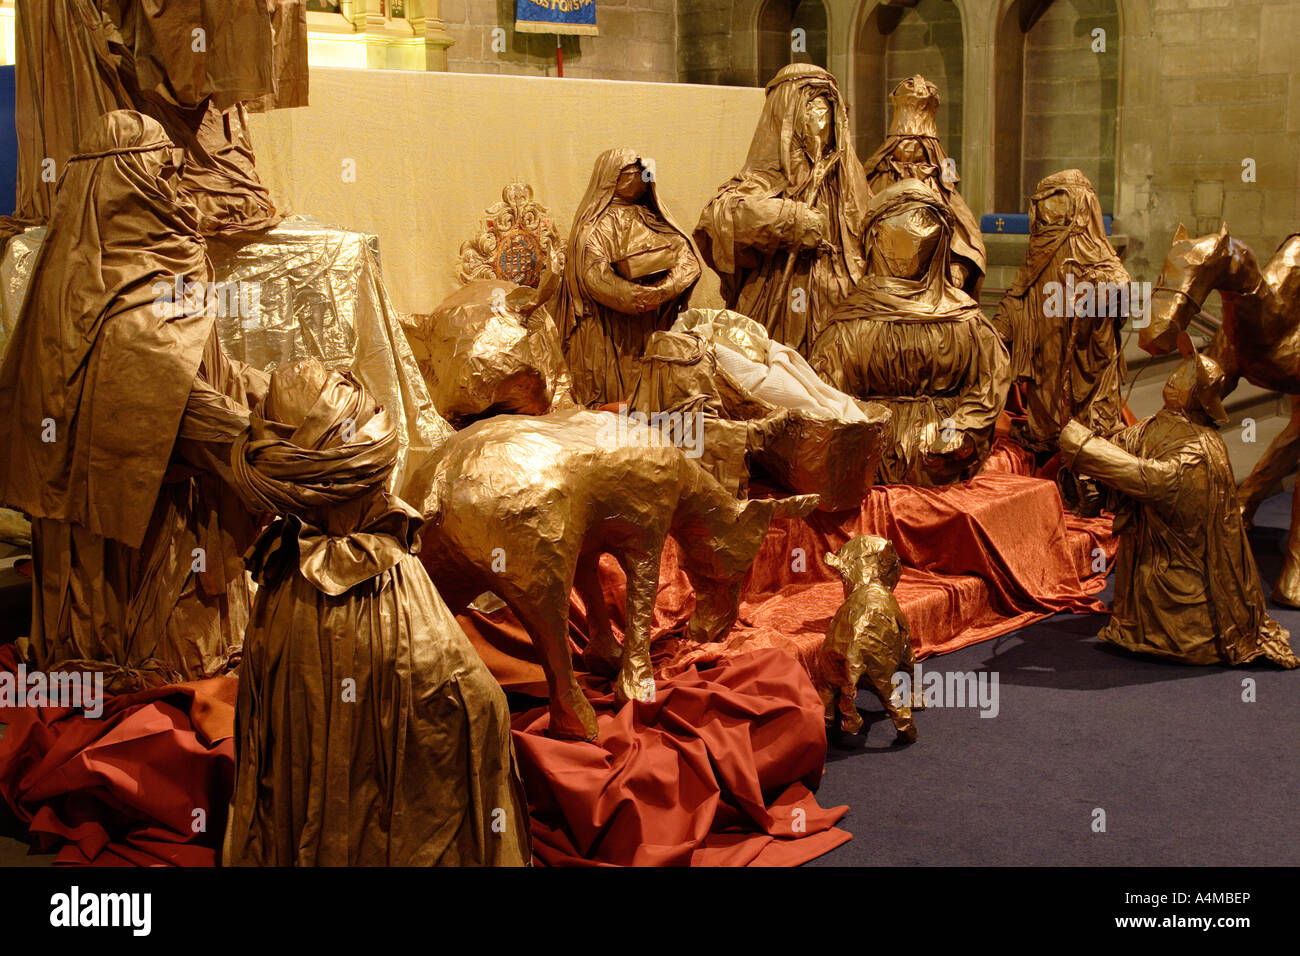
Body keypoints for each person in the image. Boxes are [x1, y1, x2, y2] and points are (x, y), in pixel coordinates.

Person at [0, 111, 265, 688]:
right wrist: (264, 440)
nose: (178, 188)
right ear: (132, 183)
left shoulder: (116, 268)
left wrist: (257, 394)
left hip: (173, 508)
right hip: (142, 544)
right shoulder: (112, 286)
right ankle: (122, 658)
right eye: (163, 173)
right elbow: (164, 406)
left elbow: (197, 376)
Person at [1058, 342, 1298, 668]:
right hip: (1145, 566)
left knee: (1177, 594)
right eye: (1177, 373)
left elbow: (1155, 481)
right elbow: (1122, 453)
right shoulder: (1153, 426)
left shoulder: (1202, 449)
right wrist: (1090, 477)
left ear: (1198, 394)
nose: (1174, 379)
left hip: (1185, 583)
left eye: (1184, 377)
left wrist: (1086, 450)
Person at [811, 179, 1010, 486]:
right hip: (869, 461)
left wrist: (962, 429)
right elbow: (825, 392)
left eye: (922, 238)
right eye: (899, 236)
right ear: (876, 239)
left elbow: (990, 381)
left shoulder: (962, 319)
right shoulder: (849, 323)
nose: (912, 249)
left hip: (945, 464)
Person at [694, 63, 872, 356]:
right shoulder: (764, 175)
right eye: (811, 109)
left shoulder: (849, 180)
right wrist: (791, 219)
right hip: (779, 302)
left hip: (842, 311)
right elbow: (717, 219)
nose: (822, 120)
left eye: (827, 108)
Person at [994, 169, 1130, 452]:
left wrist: (1100, 290)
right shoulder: (1040, 246)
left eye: (1057, 201)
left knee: (1083, 404)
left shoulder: (1090, 245)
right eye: (1044, 203)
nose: (1049, 209)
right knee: (1046, 384)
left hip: (1083, 346)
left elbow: (1120, 284)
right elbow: (1019, 291)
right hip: (1045, 342)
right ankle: (1046, 432)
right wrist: (997, 330)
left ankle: (1084, 439)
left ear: (1078, 205)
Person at [556, 147, 701, 406]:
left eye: (642, 172)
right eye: (631, 172)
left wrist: (665, 289)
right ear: (610, 176)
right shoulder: (594, 227)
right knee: (613, 401)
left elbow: (686, 258)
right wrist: (635, 296)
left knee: (648, 401)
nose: (640, 176)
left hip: (650, 322)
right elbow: (594, 275)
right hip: (607, 328)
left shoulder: (652, 218)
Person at [861, 75, 984, 299]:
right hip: (882, 286)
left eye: (916, 144)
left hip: (933, 287)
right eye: (904, 143)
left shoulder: (941, 187)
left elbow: (965, 234)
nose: (909, 150)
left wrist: (959, 267)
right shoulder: (876, 182)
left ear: (929, 148)